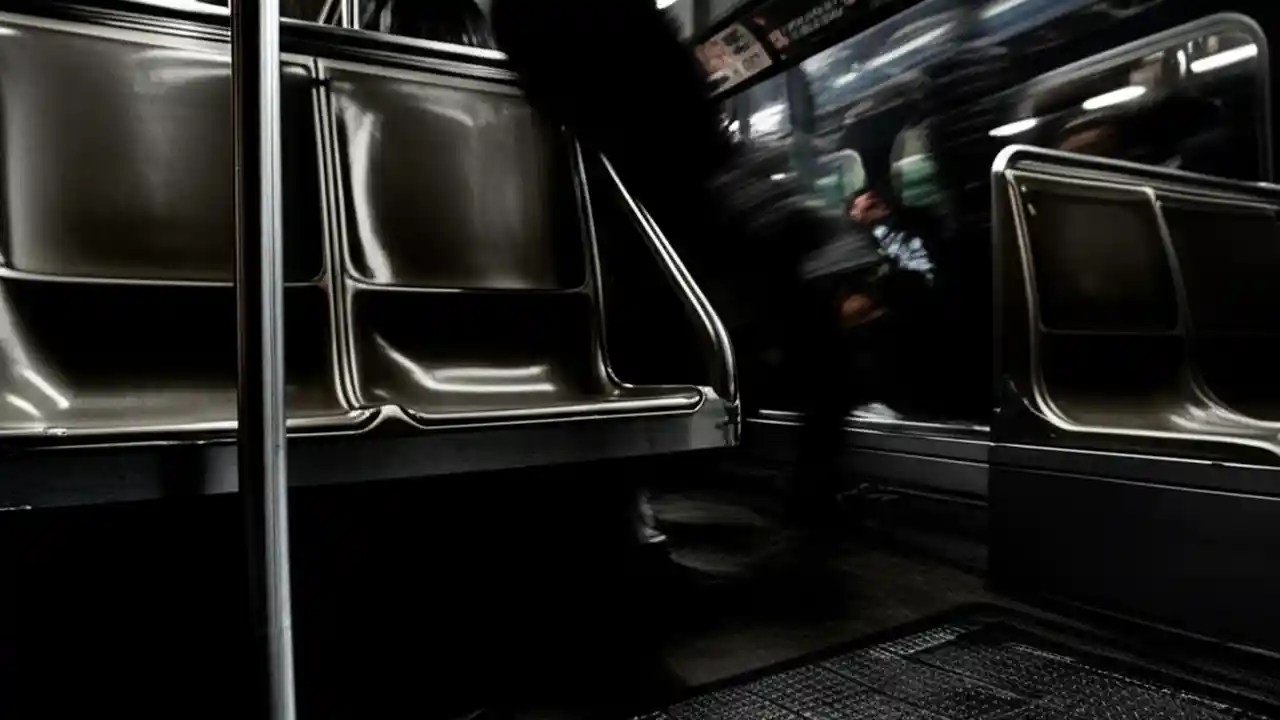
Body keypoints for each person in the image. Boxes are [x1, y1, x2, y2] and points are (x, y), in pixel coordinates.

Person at [490, 0, 885, 527]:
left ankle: (630, 510)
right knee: (812, 334)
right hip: (680, 193)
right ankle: (811, 503)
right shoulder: (631, 52)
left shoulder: (525, 28)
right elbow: (680, 103)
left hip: (644, 201)